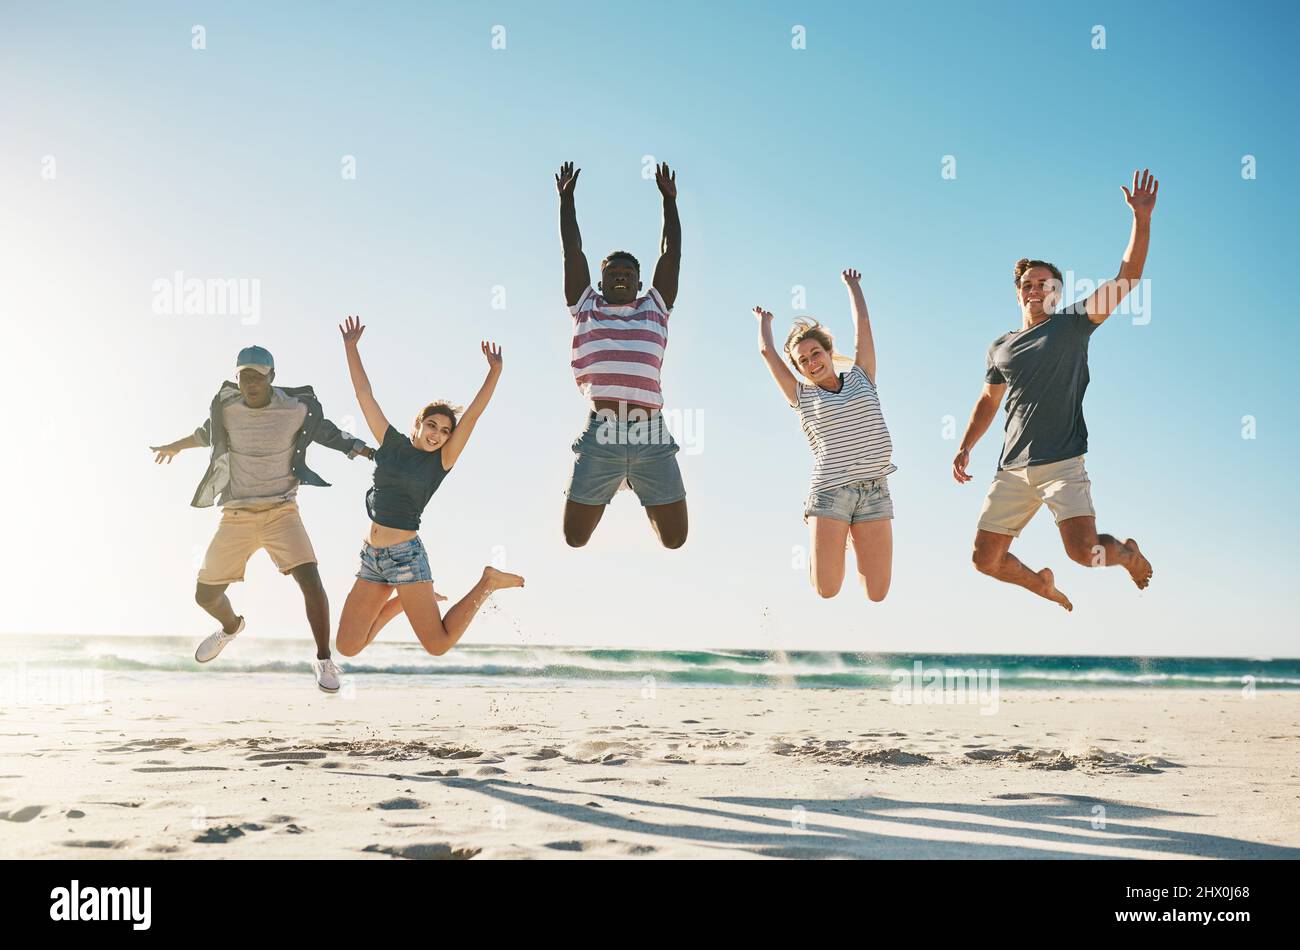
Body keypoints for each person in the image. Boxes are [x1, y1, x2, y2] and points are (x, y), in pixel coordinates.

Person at [953, 169, 1159, 611]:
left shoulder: (1073, 325)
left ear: (1057, 292)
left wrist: (1140, 219)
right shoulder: (1000, 346)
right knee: (984, 560)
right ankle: (1040, 584)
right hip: (1012, 468)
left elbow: (1128, 278)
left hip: (1062, 463)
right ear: (1018, 292)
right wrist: (967, 444)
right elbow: (989, 401)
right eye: (1027, 284)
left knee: (1085, 553)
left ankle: (1126, 554)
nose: (1034, 290)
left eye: (1044, 284)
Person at [150, 345, 373, 692]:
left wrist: (366, 450)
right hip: (236, 515)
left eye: (258, 376)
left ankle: (324, 660)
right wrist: (175, 447)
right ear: (237, 378)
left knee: (311, 581)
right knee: (205, 596)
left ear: (272, 377)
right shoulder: (226, 409)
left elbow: (328, 432)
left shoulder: (295, 408)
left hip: (281, 511)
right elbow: (204, 434)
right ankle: (231, 627)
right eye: (245, 376)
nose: (251, 383)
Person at [333, 316, 524, 658]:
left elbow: (473, 417)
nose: (437, 434)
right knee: (347, 646)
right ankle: (401, 602)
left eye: (445, 430)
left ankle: (487, 582)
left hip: (406, 557)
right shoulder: (391, 444)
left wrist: (494, 371)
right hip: (371, 555)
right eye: (431, 425)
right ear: (418, 425)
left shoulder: (441, 462)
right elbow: (365, 395)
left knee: (438, 644)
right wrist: (351, 348)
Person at [555, 159, 687, 549]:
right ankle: (618, 475)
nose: (620, 277)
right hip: (603, 430)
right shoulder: (585, 305)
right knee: (574, 537)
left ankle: (637, 479)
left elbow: (671, 255)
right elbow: (572, 250)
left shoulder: (655, 307)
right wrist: (566, 201)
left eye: (628, 274)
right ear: (600, 281)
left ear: (640, 283)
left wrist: (670, 202)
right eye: (613, 273)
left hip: (651, 434)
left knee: (675, 540)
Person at [753, 269, 896, 600]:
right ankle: (822, 538)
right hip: (830, 493)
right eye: (802, 361)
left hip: (875, 490)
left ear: (829, 352)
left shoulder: (863, 376)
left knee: (877, 593)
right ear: (800, 370)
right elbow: (767, 353)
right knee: (827, 589)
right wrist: (764, 323)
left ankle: (846, 535)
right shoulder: (802, 397)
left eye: (815, 353)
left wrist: (854, 286)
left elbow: (864, 326)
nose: (811, 362)